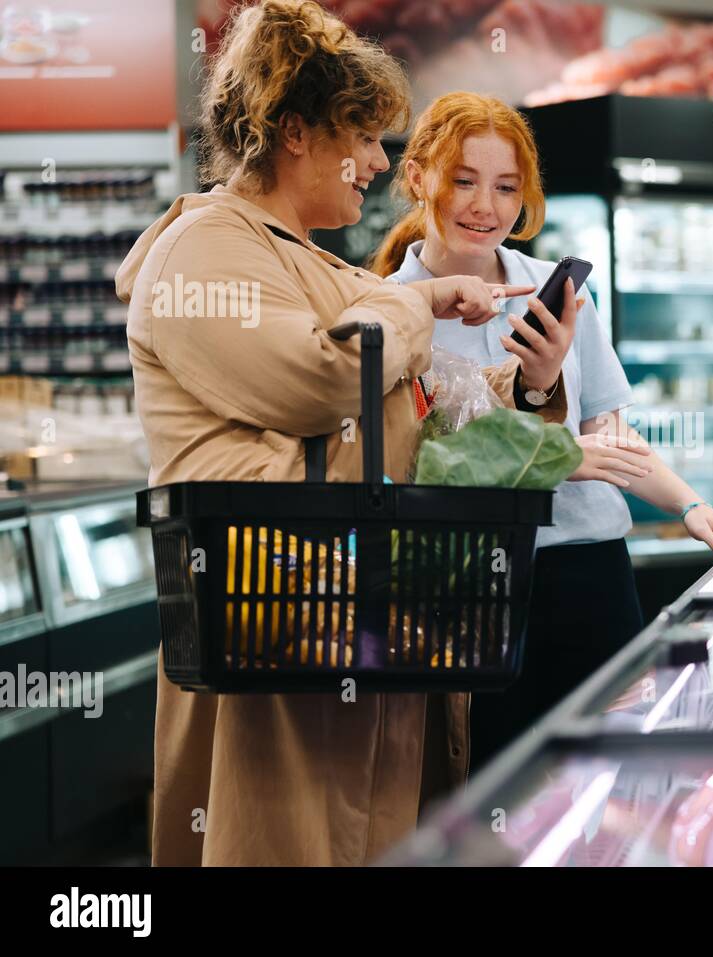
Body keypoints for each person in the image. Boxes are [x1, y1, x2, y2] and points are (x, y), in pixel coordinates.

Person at [116, 1, 572, 865]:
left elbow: (434, 400)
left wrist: (531, 385)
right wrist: (414, 298)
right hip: (274, 658)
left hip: (365, 641)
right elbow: (327, 380)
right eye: (362, 137)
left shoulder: (319, 264)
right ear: (294, 130)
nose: (375, 164)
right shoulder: (204, 252)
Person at [373, 92, 713, 772]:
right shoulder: (386, 309)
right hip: (474, 582)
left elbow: (608, 437)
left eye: (506, 188)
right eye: (463, 181)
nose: (485, 206)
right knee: (497, 786)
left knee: (613, 782)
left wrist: (691, 506)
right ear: (416, 178)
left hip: (590, 574)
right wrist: (545, 427)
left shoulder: (557, 292)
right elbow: (418, 465)